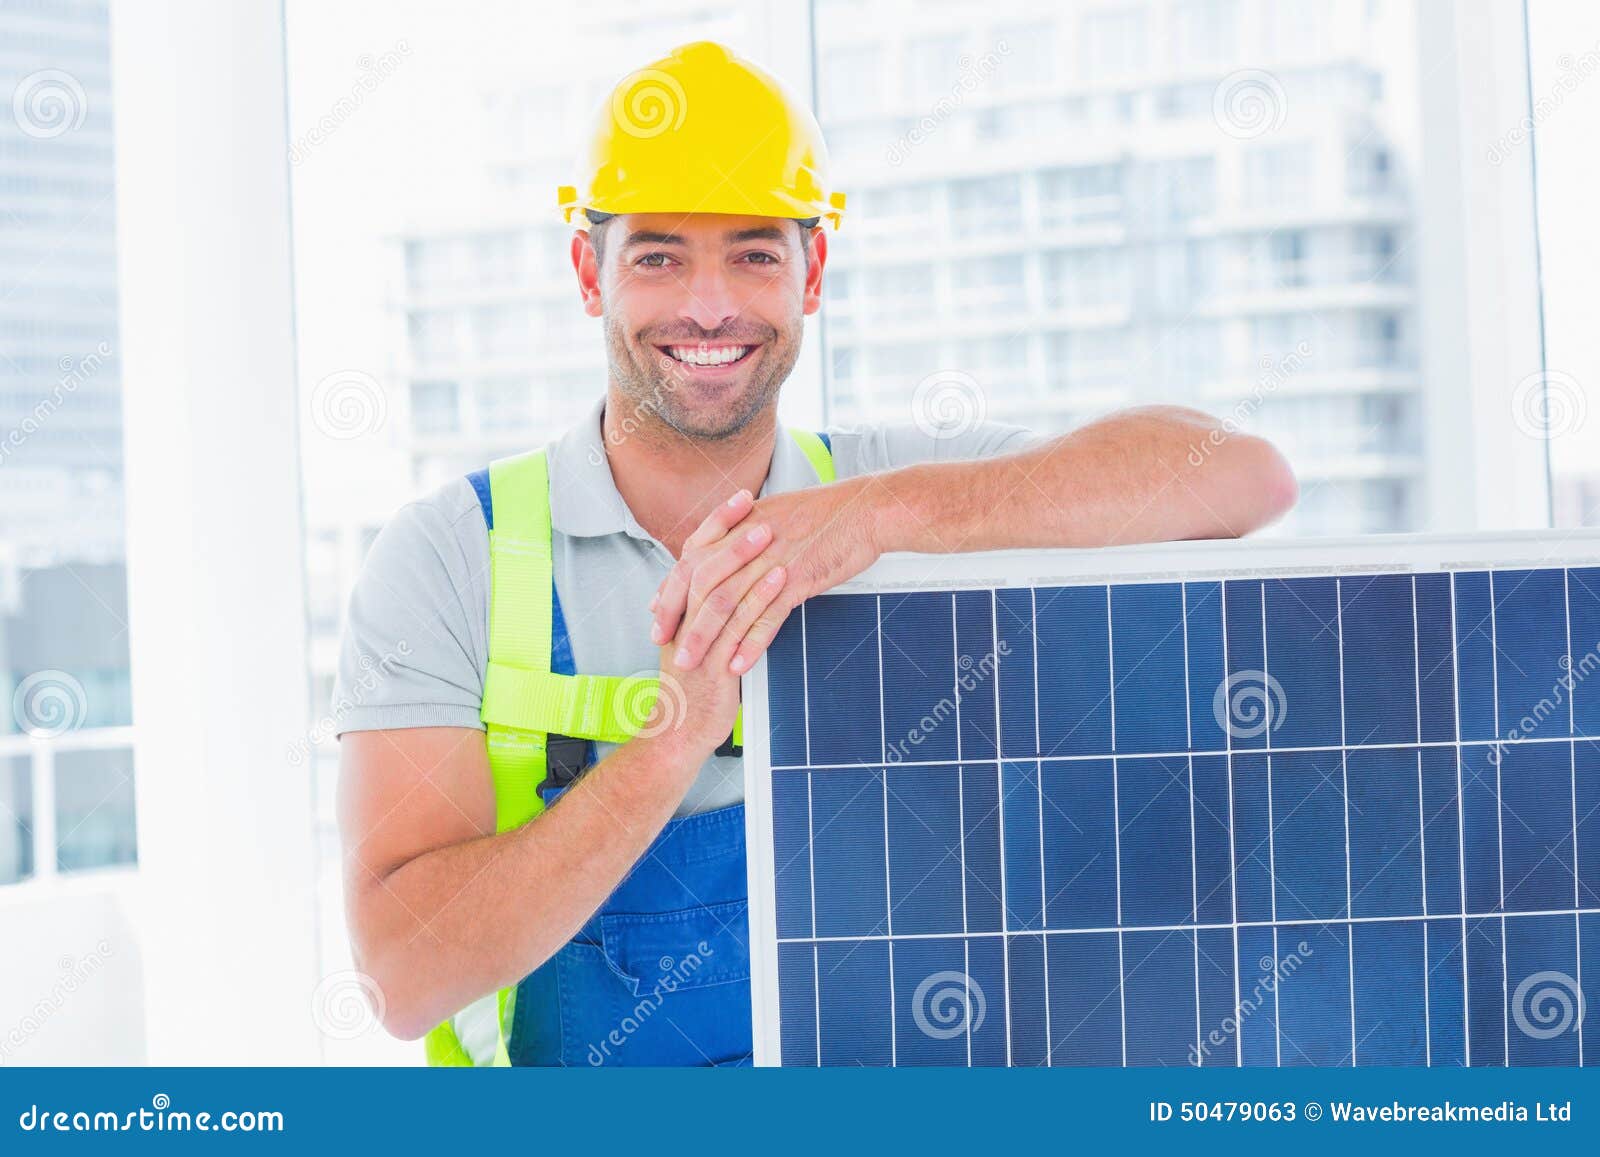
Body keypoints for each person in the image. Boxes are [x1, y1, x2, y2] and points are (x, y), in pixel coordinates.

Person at [333, 40, 1297, 1067]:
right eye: (659, 255)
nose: (710, 306)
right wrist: (670, 742)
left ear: (812, 272)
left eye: (753, 253)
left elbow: (1241, 478)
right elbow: (402, 976)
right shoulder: (450, 558)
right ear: (589, 273)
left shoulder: (896, 492)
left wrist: (880, 515)